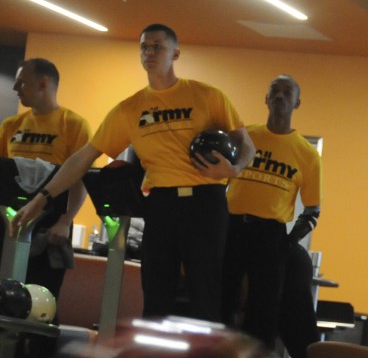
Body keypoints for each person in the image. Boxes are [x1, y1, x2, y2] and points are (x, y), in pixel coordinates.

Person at [9, 24, 254, 323]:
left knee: (205, 292)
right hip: (161, 203)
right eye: (144, 47)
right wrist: (41, 199)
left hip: (206, 201)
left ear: (175, 53)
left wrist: (235, 168)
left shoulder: (207, 96)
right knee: (156, 293)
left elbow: (246, 144)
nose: (149, 52)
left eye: (157, 47)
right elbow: (84, 157)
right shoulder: (130, 109)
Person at [221, 74, 323, 358]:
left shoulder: (307, 155)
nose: (280, 98)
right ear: (265, 98)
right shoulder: (245, 136)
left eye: (287, 94)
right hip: (232, 227)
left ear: (297, 103)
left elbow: (312, 211)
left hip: (271, 234)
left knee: (262, 320)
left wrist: (289, 241)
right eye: (274, 92)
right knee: (220, 311)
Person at [2, 58, 91, 299]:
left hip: (50, 222)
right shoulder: (11, 125)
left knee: (41, 297)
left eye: (21, 83)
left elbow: (80, 179)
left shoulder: (73, 125)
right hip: (9, 221)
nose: (15, 88)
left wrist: (66, 220)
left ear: (43, 84)